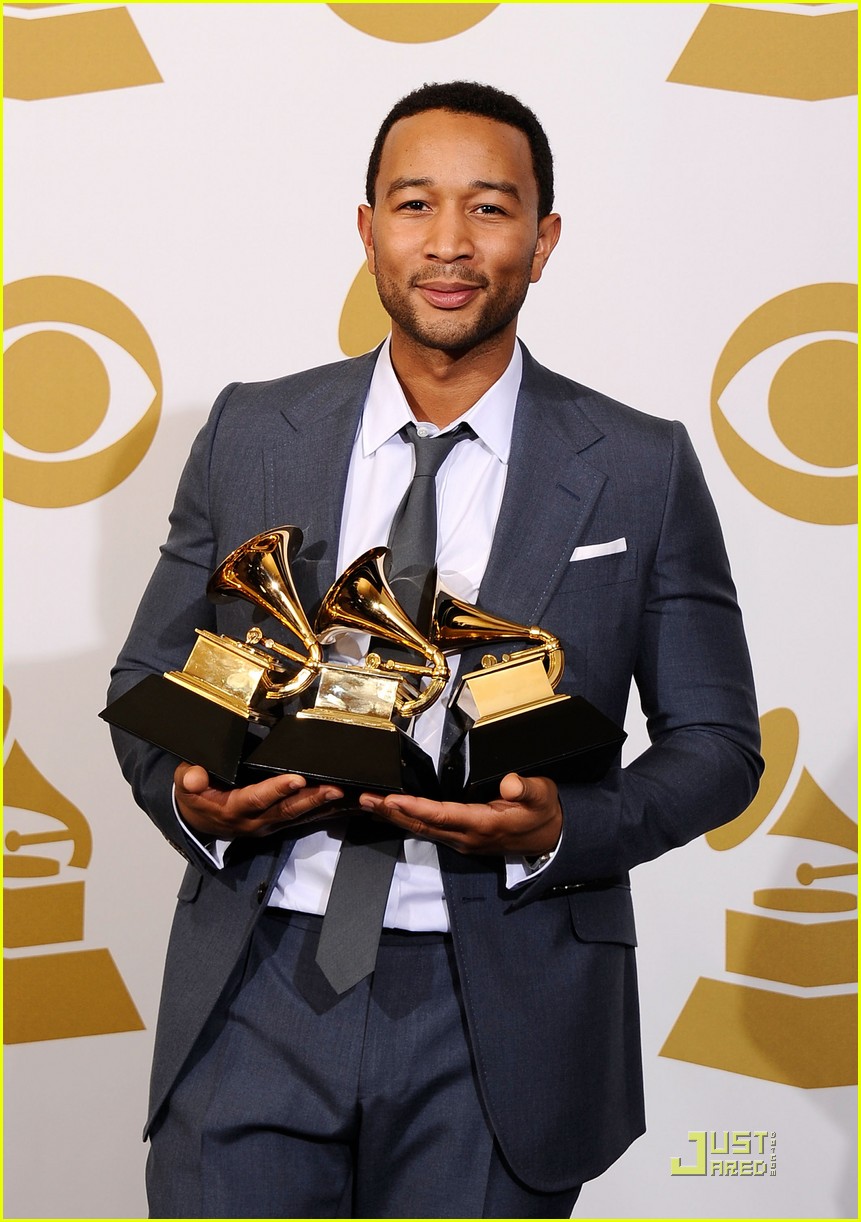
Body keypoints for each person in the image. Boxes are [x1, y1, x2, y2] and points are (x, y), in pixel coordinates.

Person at [108, 80, 762, 1219]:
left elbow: (718, 744)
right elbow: (146, 684)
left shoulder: (640, 465)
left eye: (491, 208)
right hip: (255, 987)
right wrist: (196, 801)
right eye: (414, 205)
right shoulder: (249, 431)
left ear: (544, 239)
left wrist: (566, 830)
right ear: (368, 230)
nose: (449, 244)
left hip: (507, 1011)